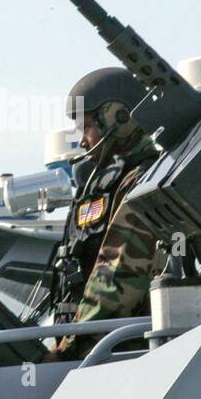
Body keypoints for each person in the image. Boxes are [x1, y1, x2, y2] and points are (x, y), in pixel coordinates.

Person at [47, 68, 165, 359]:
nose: (83, 141)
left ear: (119, 119)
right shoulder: (100, 183)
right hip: (97, 351)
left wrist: (68, 351)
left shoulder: (143, 181)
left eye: (87, 127)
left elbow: (119, 278)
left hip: (124, 354)